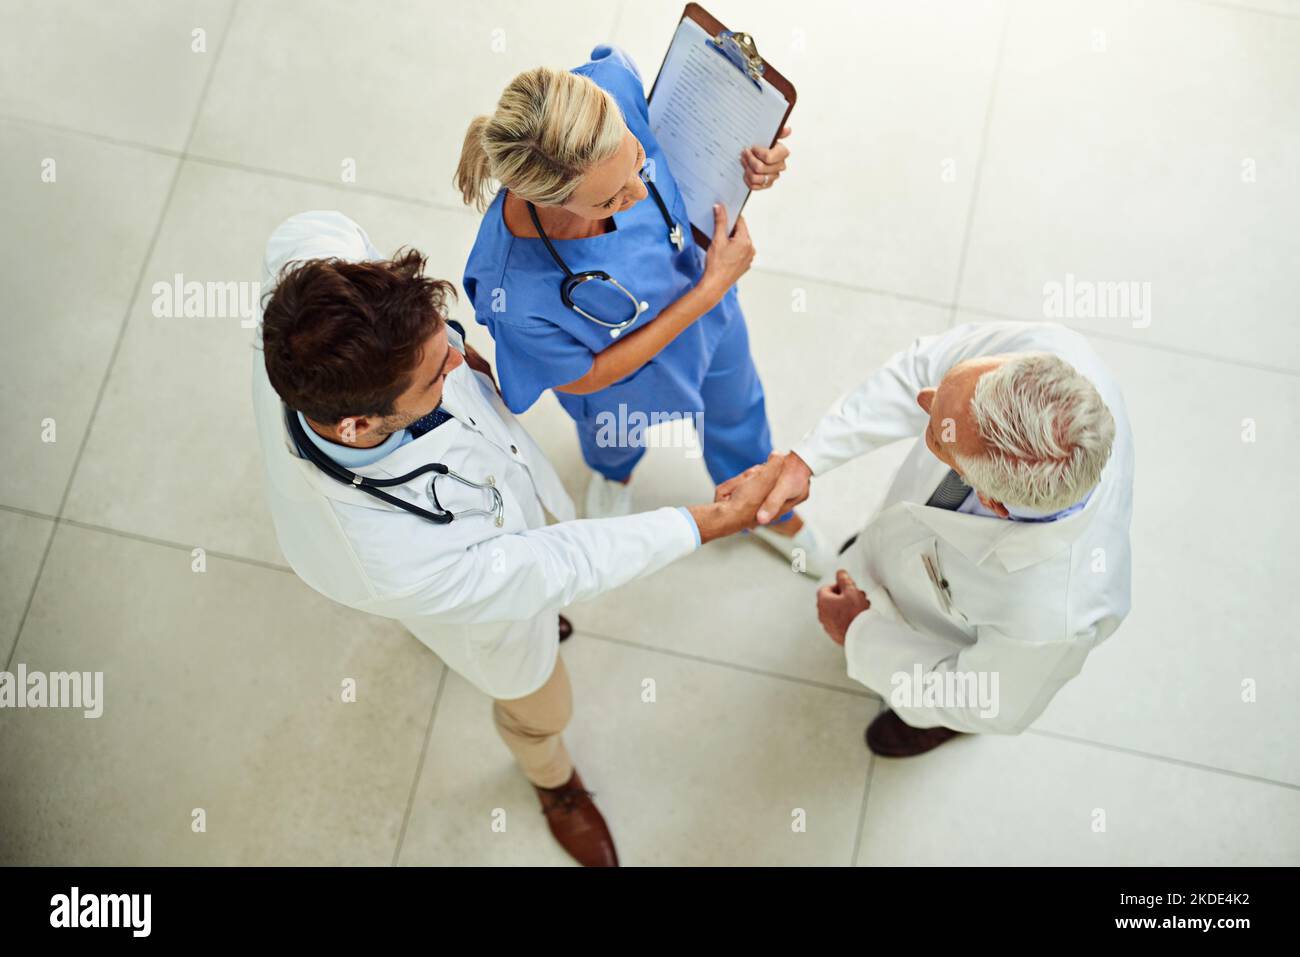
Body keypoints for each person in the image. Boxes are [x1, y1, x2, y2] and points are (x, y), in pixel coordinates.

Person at [251, 210, 784, 864]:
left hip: (494, 511)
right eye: (438, 372)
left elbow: (300, 229)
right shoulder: (390, 557)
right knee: (542, 704)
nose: (462, 357)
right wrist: (711, 521)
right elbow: (561, 561)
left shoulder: (314, 283)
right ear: (359, 426)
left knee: (528, 523)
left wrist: (451, 346)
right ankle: (553, 782)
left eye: (446, 338)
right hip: (464, 601)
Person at [456, 44, 832, 578]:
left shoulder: (607, 89)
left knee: (737, 409)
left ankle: (764, 510)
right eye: (610, 200)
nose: (637, 190)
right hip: (621, 372)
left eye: (636, 161)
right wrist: (707, 289)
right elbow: (586, 378)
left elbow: (680, 127)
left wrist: (744, 158)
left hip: (706, 317)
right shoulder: (513, 290)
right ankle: (616, 475)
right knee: (612, 438)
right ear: (549, 199)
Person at [719, 322, 1133, 756]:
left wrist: (860, 633)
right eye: (952, 385)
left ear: (989, 500)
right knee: (898, 537)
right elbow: (921, 369)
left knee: (934, 701)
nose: (925, 401)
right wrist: (808, 458)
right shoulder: (1051, 352)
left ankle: (926, 725)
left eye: (937, 432)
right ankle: (884, 557)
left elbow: (985, 703)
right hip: (919, 529)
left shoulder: (1051, 617)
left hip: (949, 642)